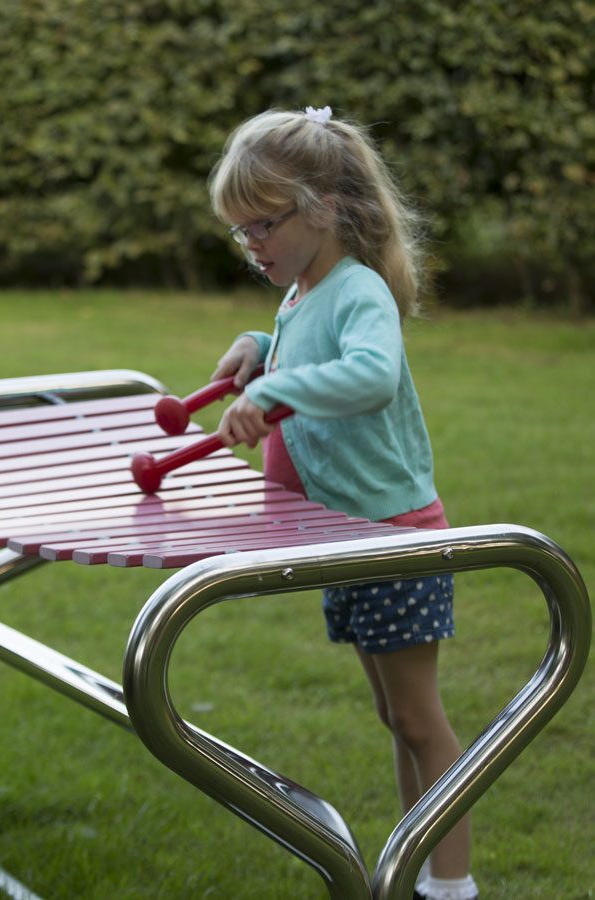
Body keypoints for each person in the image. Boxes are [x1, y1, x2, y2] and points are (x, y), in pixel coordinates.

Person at [208, 106, 478, 900]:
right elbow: (305, 349)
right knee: (398, 718)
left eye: (262, 225)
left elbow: (371, 374)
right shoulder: (303, 291)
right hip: (346, 535)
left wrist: (280, 384)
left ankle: (451, 886)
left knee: (421, 721)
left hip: (394, 537)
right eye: (241, 233)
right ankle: (416, 863)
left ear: (322, 208)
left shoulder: (358, 288)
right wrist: (260, 349)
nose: (252, 245)